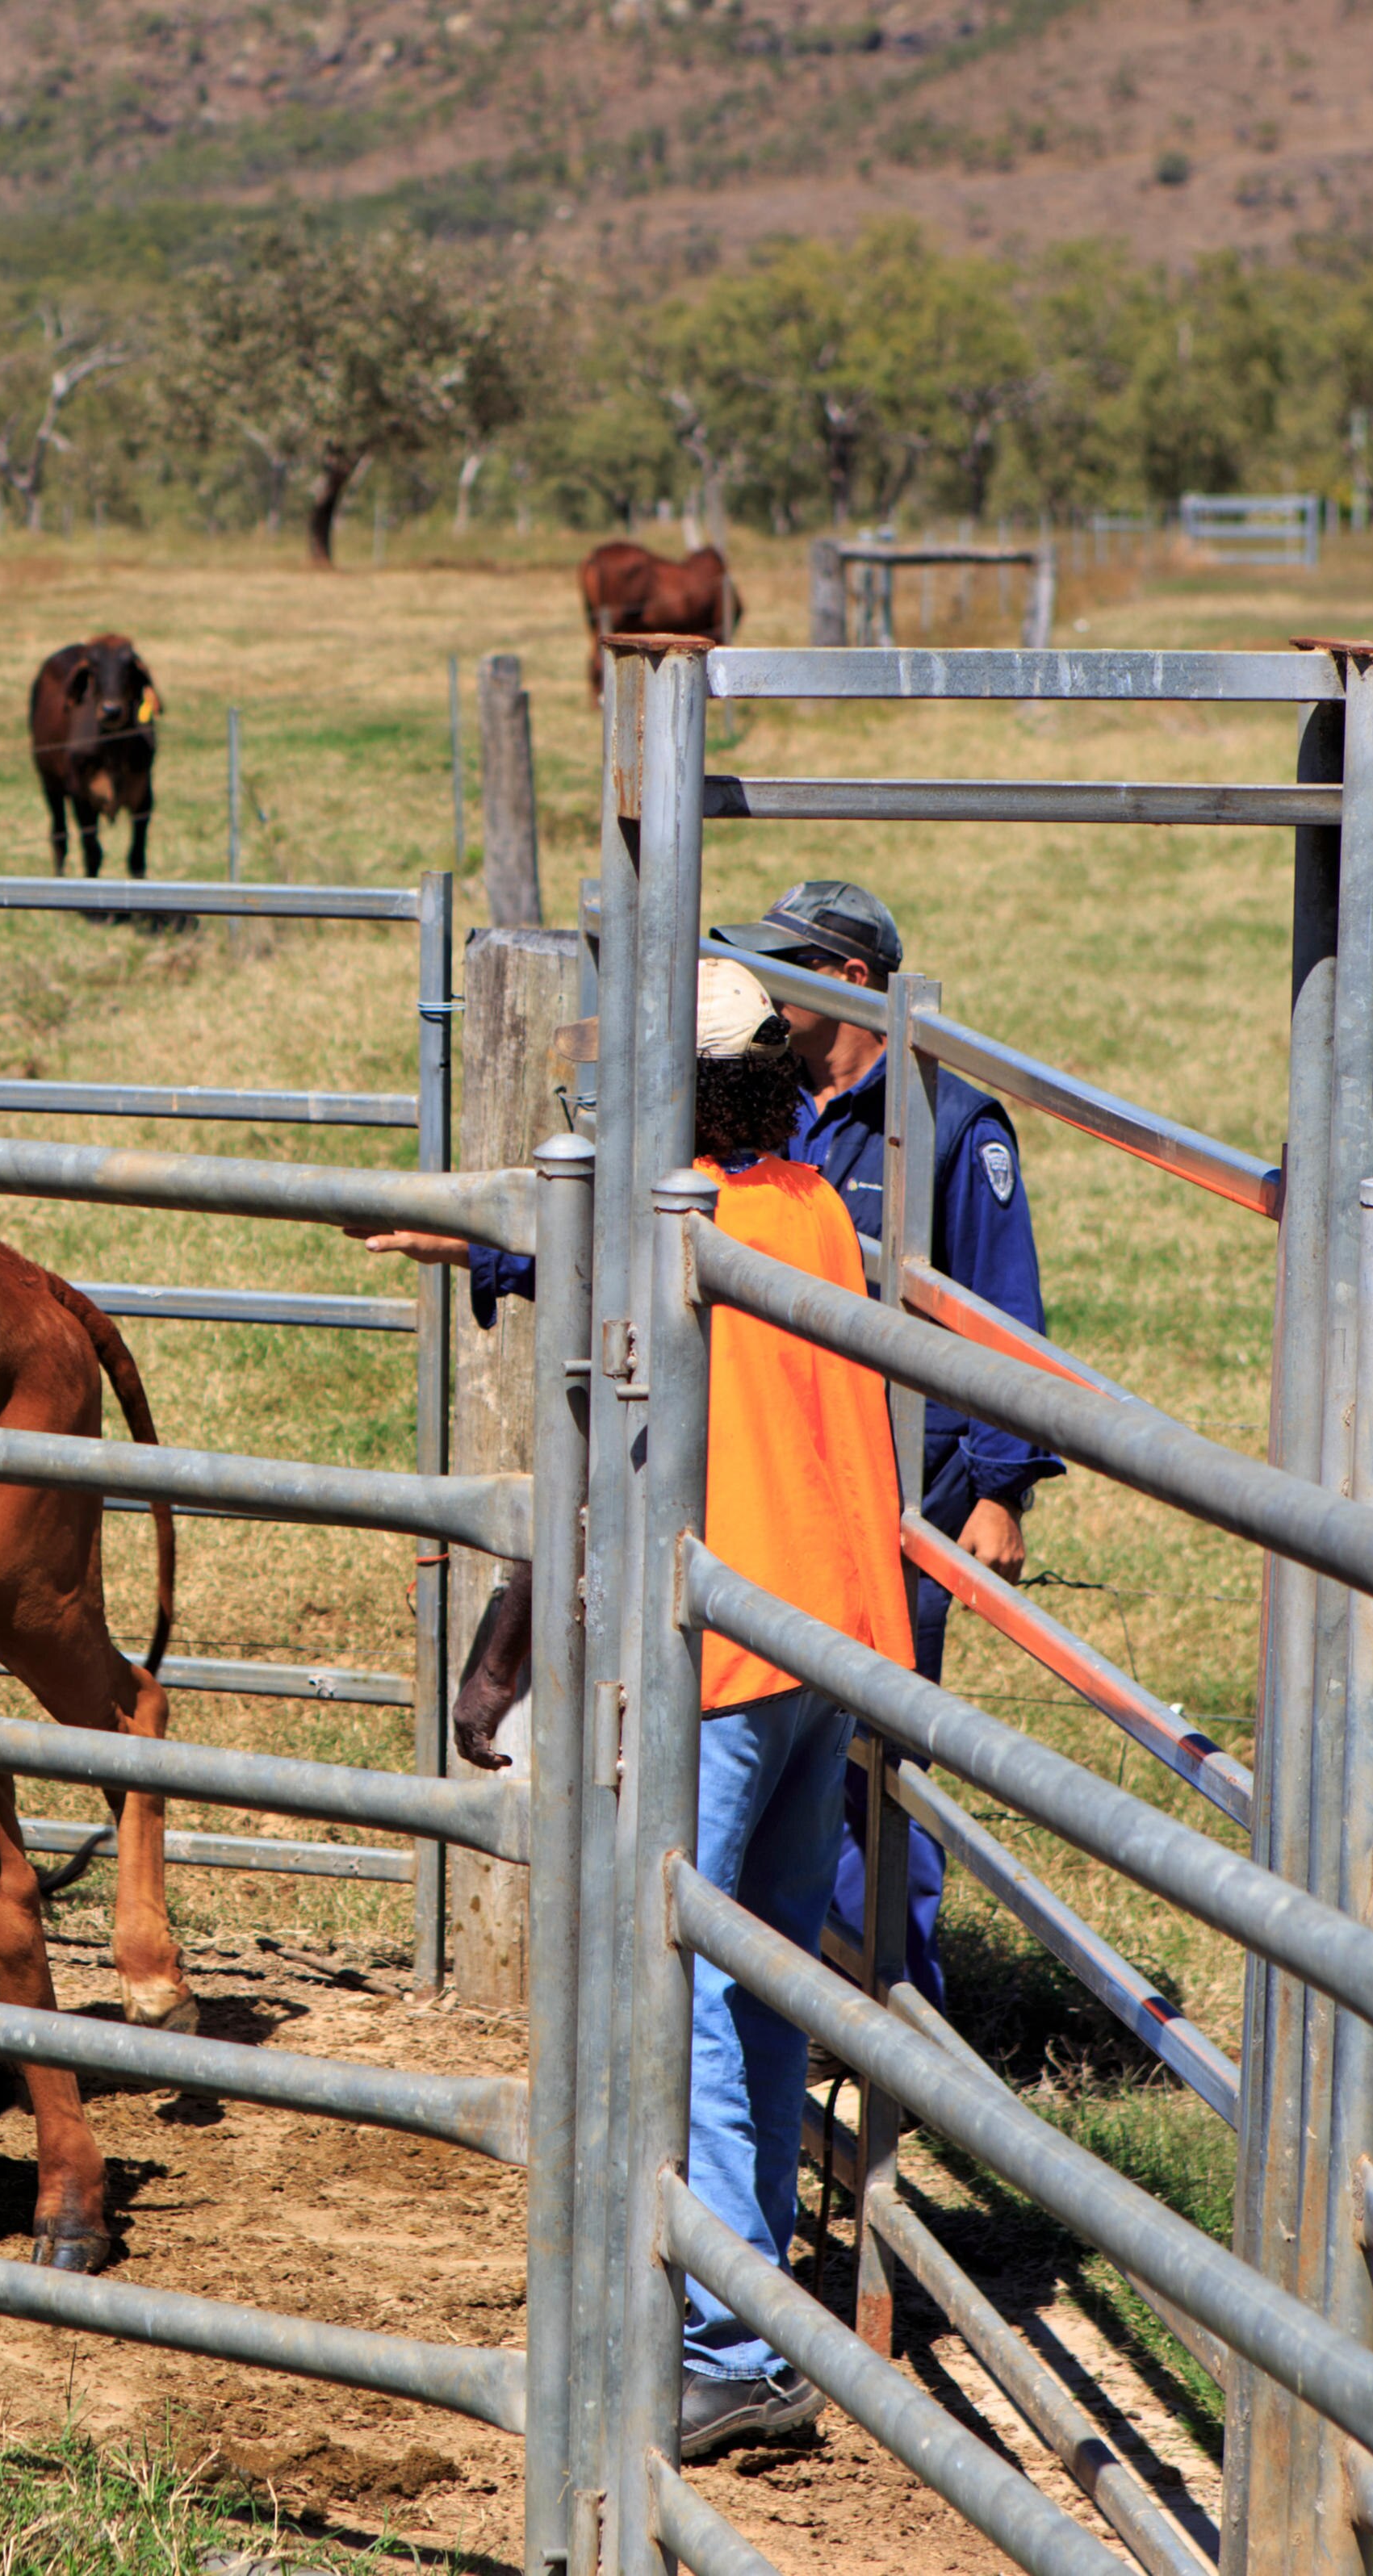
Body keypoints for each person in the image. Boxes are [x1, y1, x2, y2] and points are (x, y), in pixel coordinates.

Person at [355, 956, 914, 2457]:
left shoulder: (684, 1222)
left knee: (701, 1992)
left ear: (679, 1091)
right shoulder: (801, 1200)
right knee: (768, 1967)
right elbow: (579, 1250)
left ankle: (729, 2340)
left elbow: (592, 1290)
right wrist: (493, 1241)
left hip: (725, 1658)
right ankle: (752, 2304)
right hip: (831, 1641)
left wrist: (479, 1237)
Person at [711, 880, 1061, 2011]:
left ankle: (883, 2014)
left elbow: (999, 1318)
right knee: (792, 1745)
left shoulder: (951, 1124)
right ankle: (795, 1994)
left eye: (781, 969)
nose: (758, 991)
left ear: (846, 982)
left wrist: (1000, 1491)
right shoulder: (774, 1106)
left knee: (875, 1763)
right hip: (784, 1481)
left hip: (904, 1495)